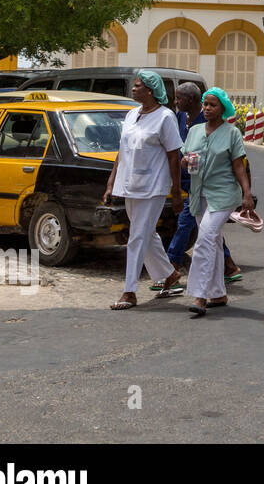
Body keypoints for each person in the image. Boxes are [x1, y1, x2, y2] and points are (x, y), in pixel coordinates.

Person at [104, 70, 183, 310]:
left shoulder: (165, 117)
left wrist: (176, 192)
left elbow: (173, 156)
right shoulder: (130, 115)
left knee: (137, 236)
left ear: (150, 90)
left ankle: (130, 291)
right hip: (130, 185)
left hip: (153, 187)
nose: (134, 89)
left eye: (138, 86)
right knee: (146, 233)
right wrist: (110, 183)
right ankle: (169, 275)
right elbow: (122, 152)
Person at [158, 82, 240, 290]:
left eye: (179, 99)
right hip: (189, 182)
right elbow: (177, 149)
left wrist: (245, 193)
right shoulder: (179, 119)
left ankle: (173, 270)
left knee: (190, 227)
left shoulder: (214, 123)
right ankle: (228, 268)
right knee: (209, 232)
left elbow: (238, 163)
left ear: (192, 100)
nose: (175, 103)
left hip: (213, 187)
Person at [181, 86, 254, 316]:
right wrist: (185, 161)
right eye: (205, 104)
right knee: (213, 242)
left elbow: (238, 166)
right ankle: (219, 293)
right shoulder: (194, 131)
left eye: (213, 105)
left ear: (222, 108)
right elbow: (185, 158)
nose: (208, 108)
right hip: (199, 193)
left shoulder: (232, 133)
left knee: (205, 238)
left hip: (223, 195)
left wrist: (247, 194)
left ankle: (200, 295)